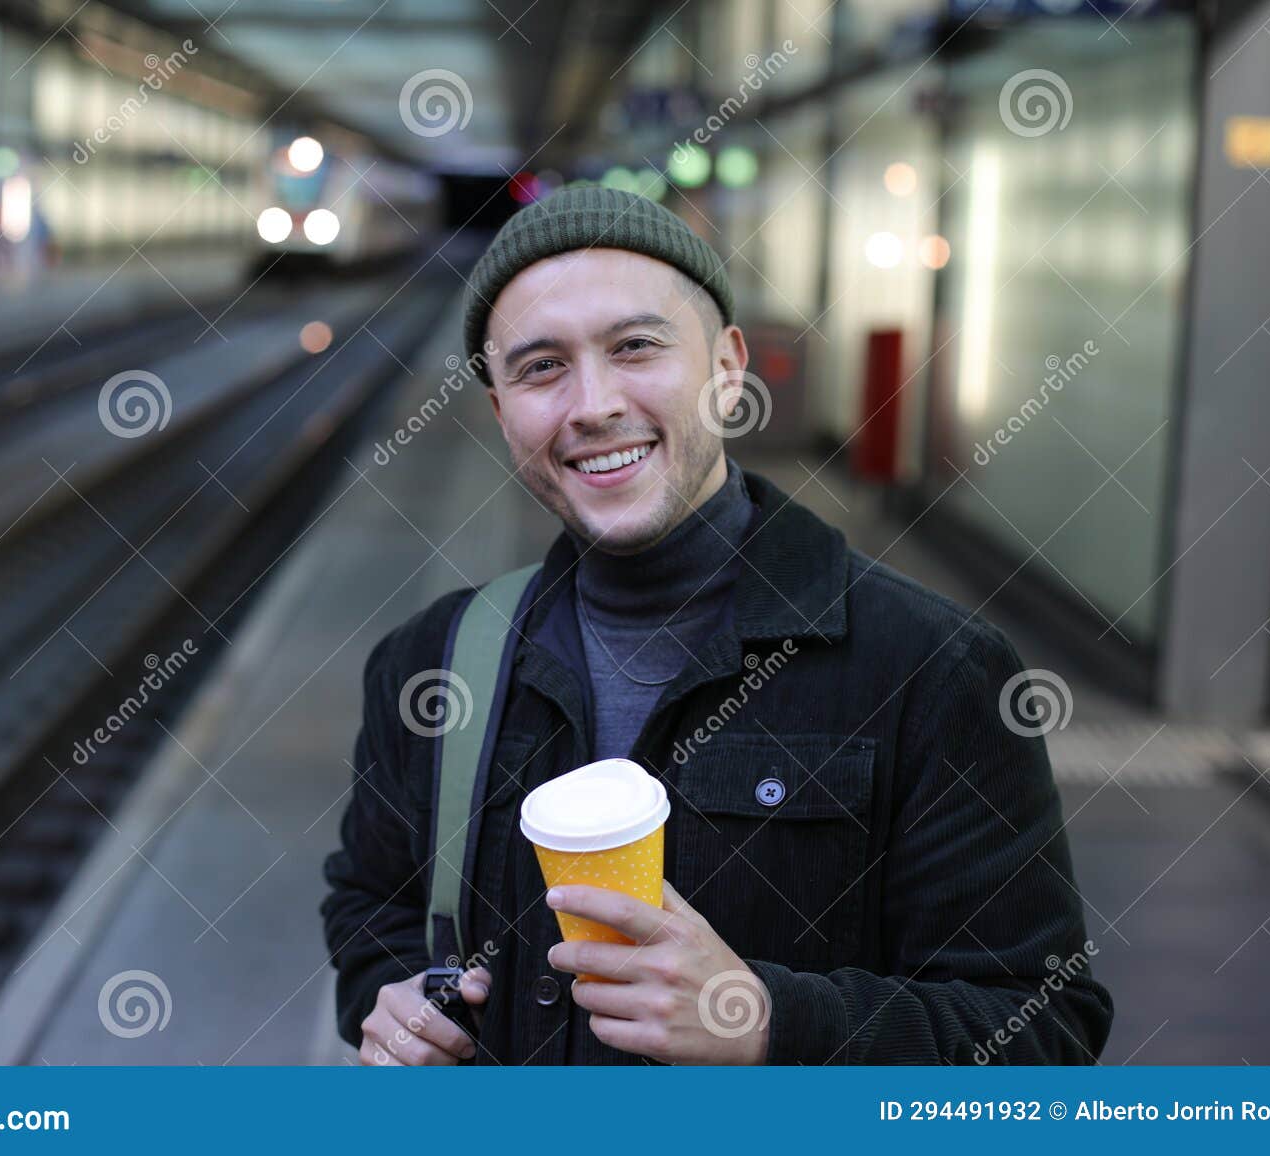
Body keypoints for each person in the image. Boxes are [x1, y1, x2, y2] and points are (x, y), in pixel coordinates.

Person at [321, 184, 1113, 1065]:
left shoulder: (929, 668)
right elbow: (372, 904)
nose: (592, 405)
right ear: (503, 410)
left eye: (635, 348)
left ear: (729, 369)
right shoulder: (434, 663)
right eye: (541, 367)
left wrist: (768, 1020)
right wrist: (394, 999)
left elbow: (1041, 1033)